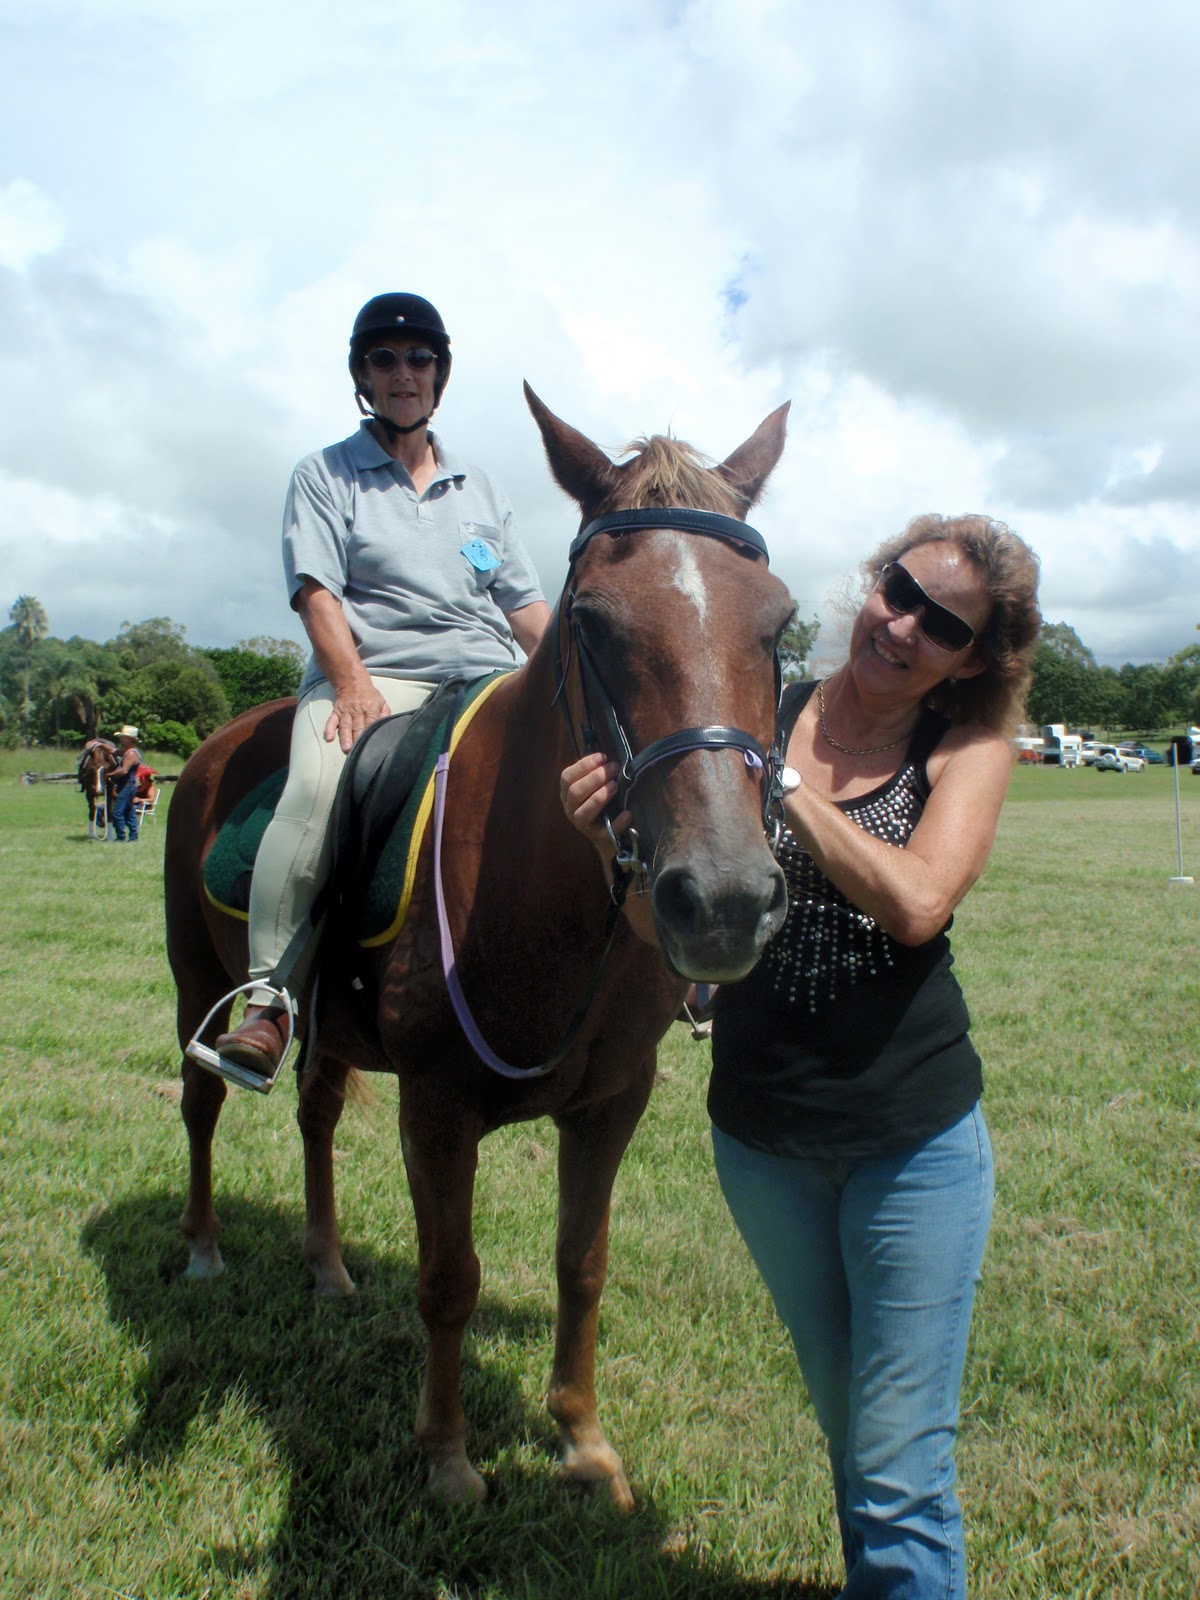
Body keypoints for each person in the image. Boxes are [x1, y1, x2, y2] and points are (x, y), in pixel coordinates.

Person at [561, 514, 1041, 1599]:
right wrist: (606, 846)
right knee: (851, 1428)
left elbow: (917, 903)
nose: (904, 626)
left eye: (944, 626)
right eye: (900, 591)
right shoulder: (757, 707)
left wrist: (776, 783)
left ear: (973, 662)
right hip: (763, 1142)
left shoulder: (963, 751)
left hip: (910, 1141)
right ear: (874, 584)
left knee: (899, 1466)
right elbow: (673, 944)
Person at [214, 293, 551, 1084]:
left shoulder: (480, 489)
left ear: (440, 374)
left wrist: (572, 677)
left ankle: (664, 960)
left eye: (420, 358)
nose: (404, 372)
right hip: (378, 676)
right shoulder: (325, 474)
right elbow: (315, 593)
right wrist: (352, 685)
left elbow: (526, 609)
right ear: (363, 376)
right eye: (385, 359)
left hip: (485, 677)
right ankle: (270, 1000)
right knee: (314, 793)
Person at [108, 725, 144, 843]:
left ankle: (121, 837)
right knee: (129, 812)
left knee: (117, 812)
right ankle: (133, 836)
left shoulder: (131, 754)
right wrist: (100, 745)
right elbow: (113, 751)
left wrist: (108, 775)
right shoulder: (126, 751)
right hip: (128, 785)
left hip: (127, 785)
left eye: (123, 737)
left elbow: (124, 770)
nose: (121, 739)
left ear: (130, 739)